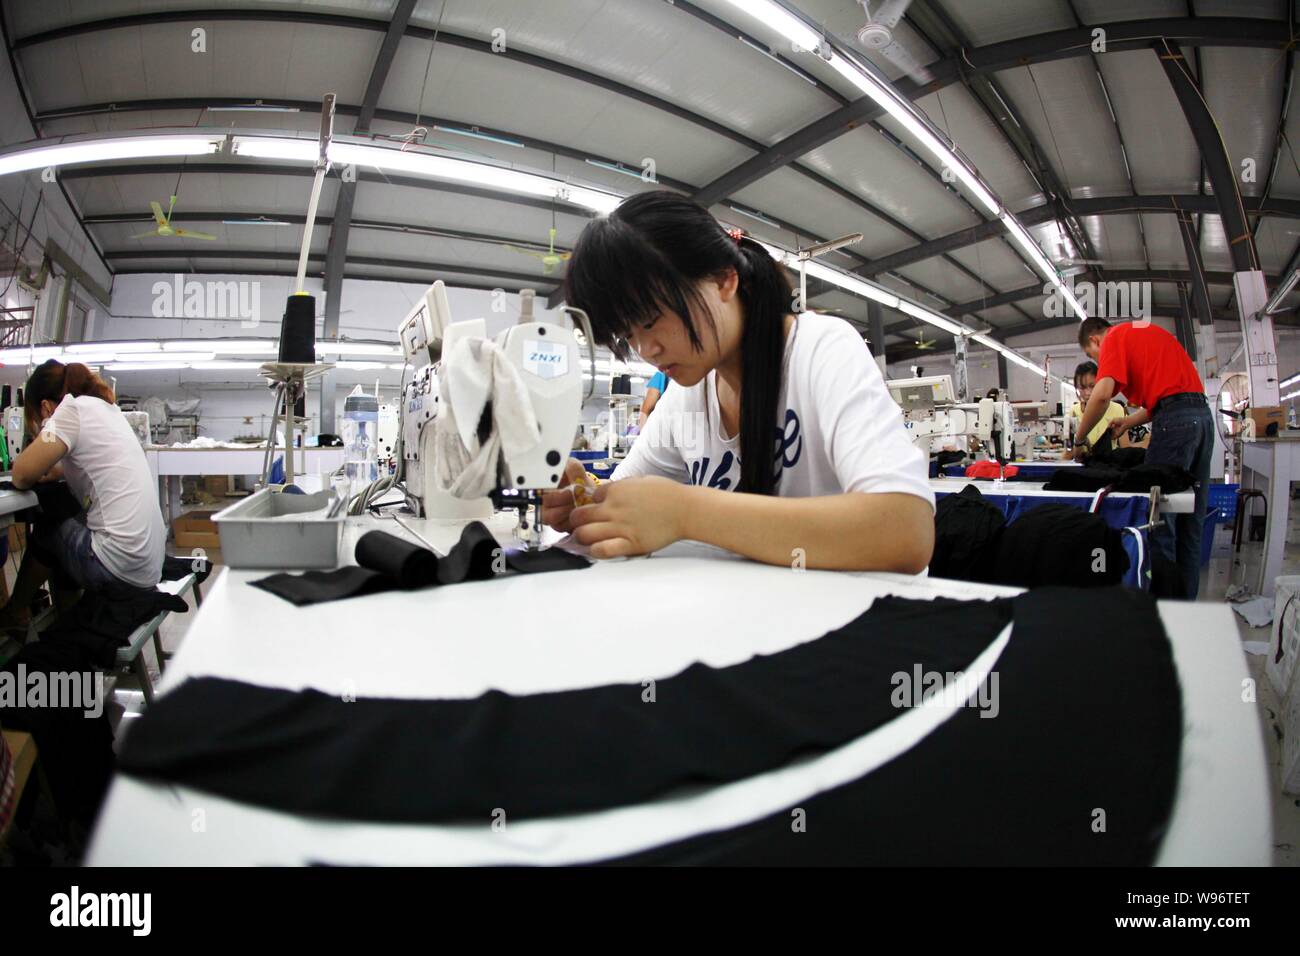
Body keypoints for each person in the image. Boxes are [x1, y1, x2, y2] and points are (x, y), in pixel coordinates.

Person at [541, 191, 935, 571]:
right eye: (628, 335)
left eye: (649, 320)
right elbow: (630, 500)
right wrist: (584, 497)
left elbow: (905, 529)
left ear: (724, 280)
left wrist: (686, 513)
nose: (646, 349)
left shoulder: (821, 348)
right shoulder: (686, 395)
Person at [0, 361, 166, 631]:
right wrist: (55, 470)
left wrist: (41, 449)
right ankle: (68, 621)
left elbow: (20, 475)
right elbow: (88, 461)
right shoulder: (106, 408)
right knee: (69, 523)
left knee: (50, 527)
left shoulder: (70, 410)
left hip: (119, 569)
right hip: (146, 565)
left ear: (45, 408)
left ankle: (15, 613)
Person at [1075, 318, 1213, 598]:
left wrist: (1079, 439)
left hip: (1175, 424)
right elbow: (1167, 400)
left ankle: (1165, 610)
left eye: (1093, 357)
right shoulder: (1146, 334)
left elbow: (1101, 397)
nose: (1100, 364)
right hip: (1201, 420)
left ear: (1094, 340)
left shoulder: (1113, 337)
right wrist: (1128, 422)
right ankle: (1184, 609)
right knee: (1190, 520)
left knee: (1160, 523)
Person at [1069, 361, 1126, 451]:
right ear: (1076, 387)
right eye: (1082, 388)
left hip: (1108, 462)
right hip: (1083, 461)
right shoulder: (1074, 411)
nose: (1087, 393)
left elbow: (1125, 447)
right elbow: (1070, 448)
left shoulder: (1117, 409)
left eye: (1092, 386)